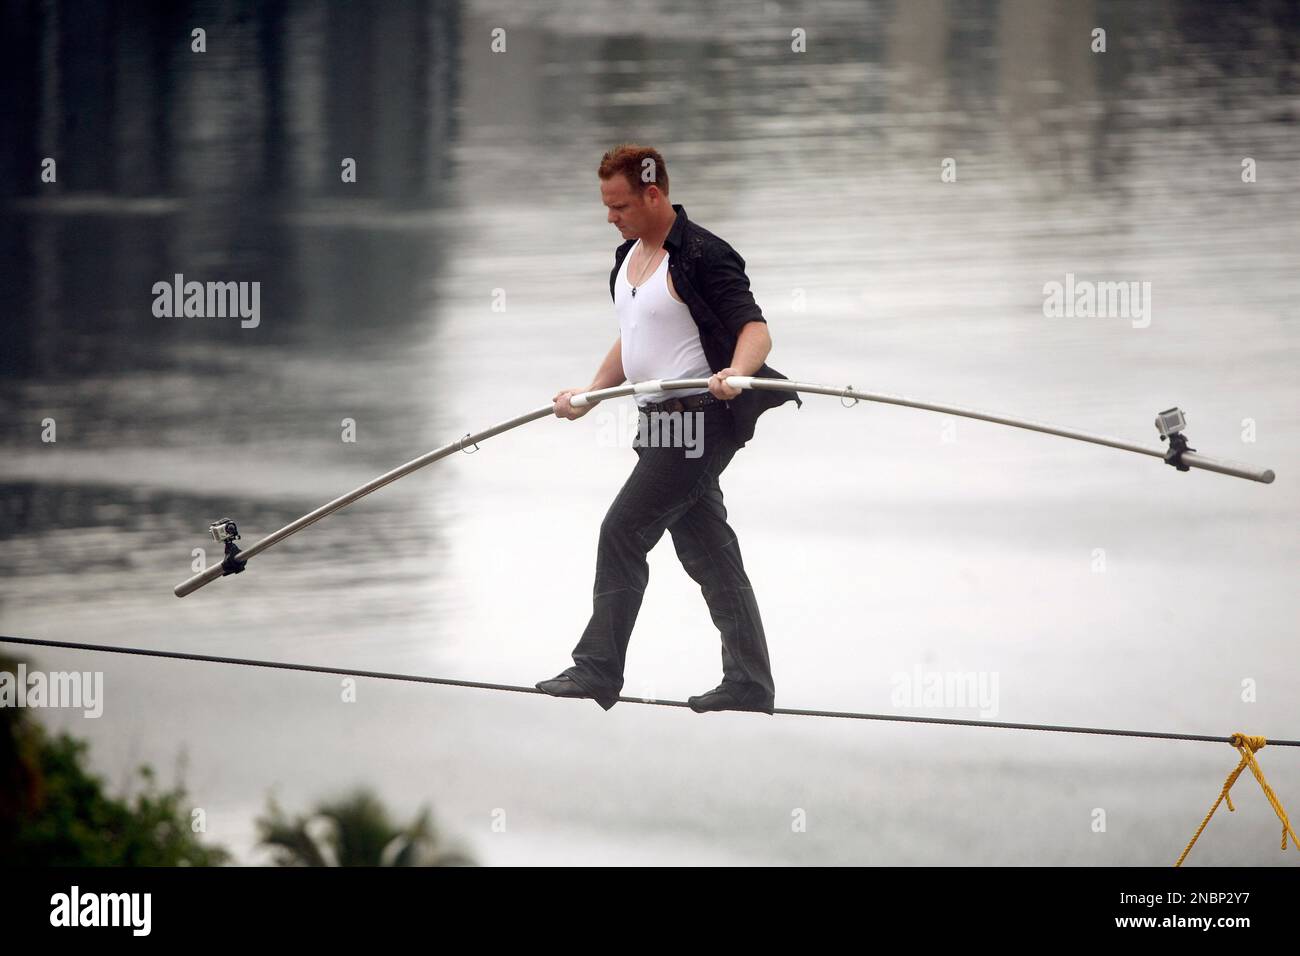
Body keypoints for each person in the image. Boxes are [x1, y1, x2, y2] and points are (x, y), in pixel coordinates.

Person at [536, 144, 801, 714]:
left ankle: (598, 670)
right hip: (655, 427)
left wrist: (738, 370)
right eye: (607, 206)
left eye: (621, 205)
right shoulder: (627, 259)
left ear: (654, 193)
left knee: (622, 531)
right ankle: (750, 682)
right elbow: (633, 336)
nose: (611, 216)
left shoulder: (704, 254)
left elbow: (754, 330)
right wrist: (588, 395)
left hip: (698, 425)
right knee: (709, 554)